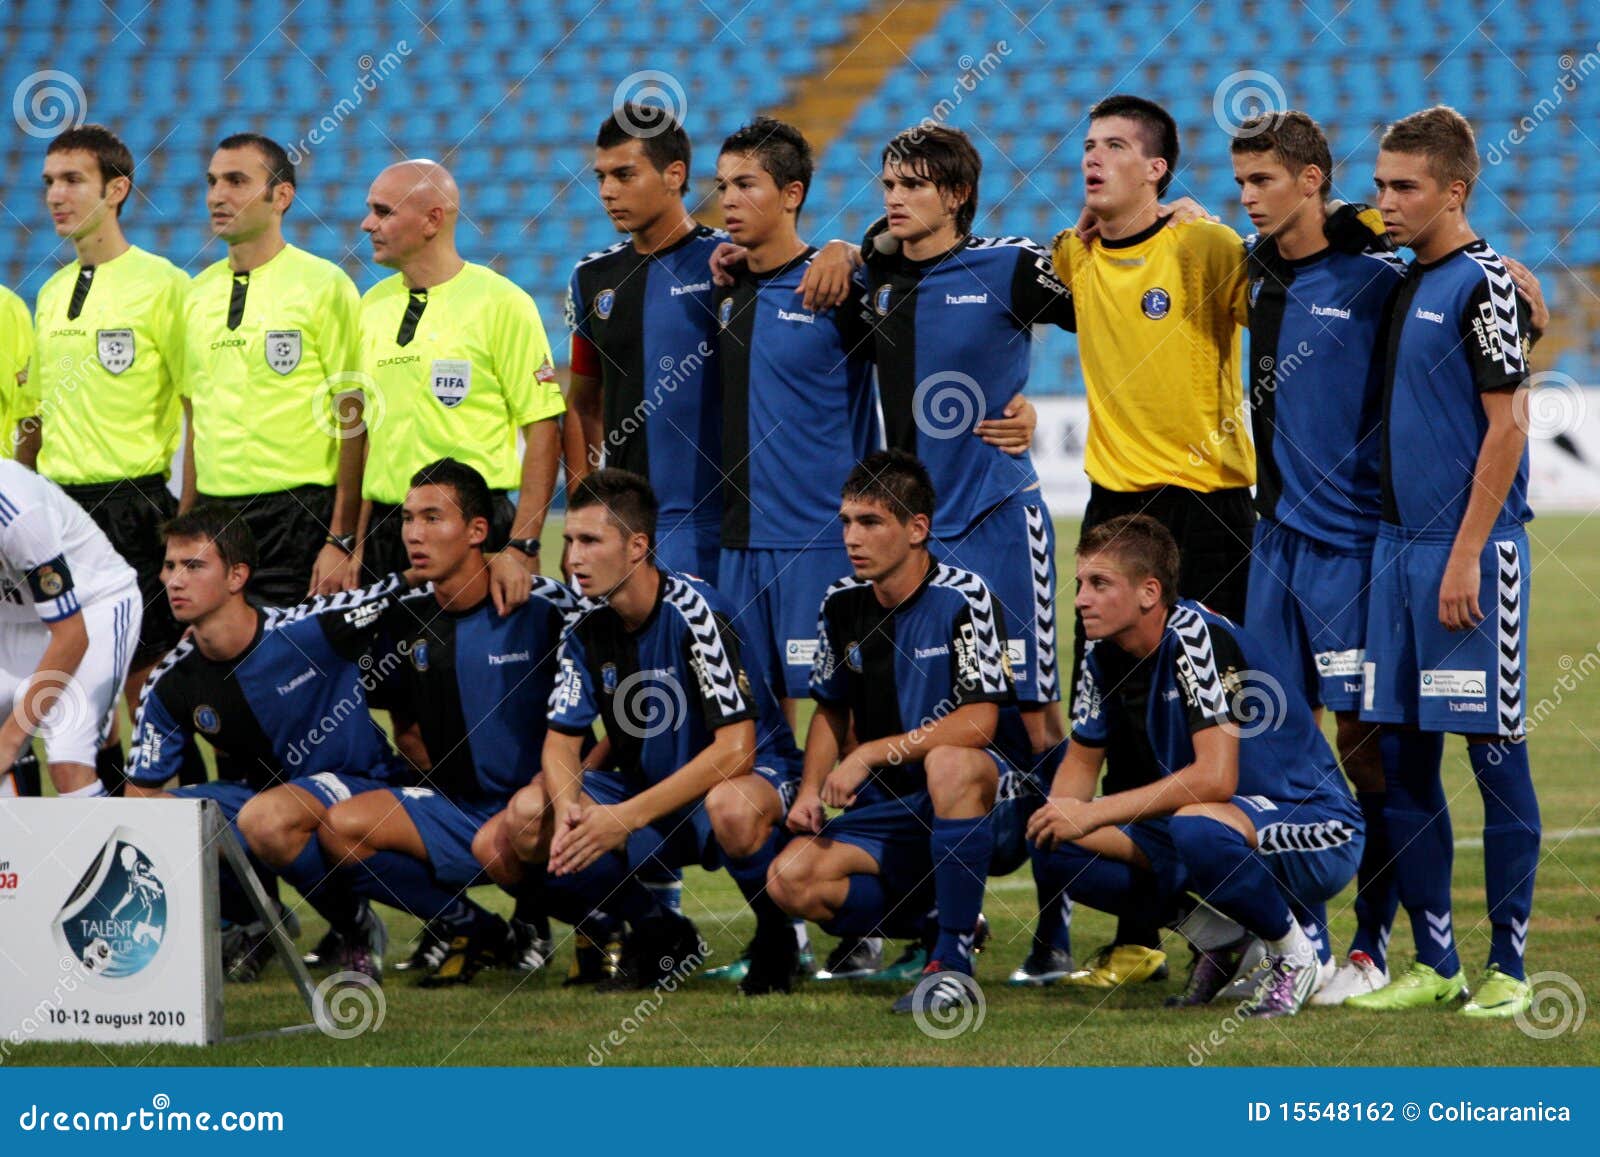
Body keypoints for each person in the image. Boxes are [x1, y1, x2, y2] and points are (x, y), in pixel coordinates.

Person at [1047, 95, 1260, 984]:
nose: (1093, 159)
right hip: (1113, 504)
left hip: (1206, 504)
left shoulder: (1203, 246)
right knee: (1116, 719)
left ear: (1159, 168)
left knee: (1216, 720)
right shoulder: (1073, 253)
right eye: (1088, 144)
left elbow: (1296, 290)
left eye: (1115, 148)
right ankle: (1142, 935)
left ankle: (1254, 920)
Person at [856, 124, 1074, 985]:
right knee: (917, 725)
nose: (894, 198)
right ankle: (942, 918)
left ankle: (1053, 925)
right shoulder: (873, 274)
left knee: (1031, 713)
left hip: (993, 521)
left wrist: (1032, 408)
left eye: (911, 184)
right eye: (886, 184)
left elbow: (1121, 299)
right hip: (914, 537)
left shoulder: (1011, 267)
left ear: (954, 194)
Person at [1350, 106, 1540, 1019]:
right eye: (1381, 184)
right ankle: (1435, 959)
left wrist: (1467, 553)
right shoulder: (1398, 279)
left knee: (1495, 755)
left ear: (1454, 191)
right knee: (1401, 757)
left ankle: (1509, 965)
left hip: (1470, 553)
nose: (1384, 201)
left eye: (1404, 187)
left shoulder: (1484, 285)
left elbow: (1507, 426)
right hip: (1394, 553)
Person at [481, 468, 806, 994]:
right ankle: (660, 929)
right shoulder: (586, 626)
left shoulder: (698, 614)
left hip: (743, 781)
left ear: (637, 547)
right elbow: (561, 742)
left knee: (732, 808)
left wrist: (623, 819)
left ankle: (776, 935)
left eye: (589, 541)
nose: (573, 559)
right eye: (569, 541)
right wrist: (568, 816)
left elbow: (736, 751)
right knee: (519, 826)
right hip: (652, 788)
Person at [1028, 515, 1363, 1018]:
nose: (1080, 599)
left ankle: (1296, 957)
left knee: (1195, 828)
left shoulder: (1196, 636)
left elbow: (1214, 778)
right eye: (1081, 584)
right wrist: (1066, 814)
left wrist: (1095, 813)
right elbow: (1077, 768)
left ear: (1148, 592)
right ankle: (1221, 938)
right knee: (1054, 842)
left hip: (1314, 822)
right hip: (1220, 822)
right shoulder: (1103, 656)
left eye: (1099, 584)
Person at [767, 451, 1042, 1016]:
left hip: (989, 801)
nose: (852, 537)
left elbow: (978, 722)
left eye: (870, 522)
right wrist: (811, 790)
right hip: (900, 806)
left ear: (917, 529)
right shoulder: (841, 603)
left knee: (948, 762)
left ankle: (952, 965)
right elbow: (829, 710)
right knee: (790, 879)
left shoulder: (965, 598)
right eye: (845, 521)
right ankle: (949, 919)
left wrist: (869, 753)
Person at [319, 459, 576, 987]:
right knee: (340, 829)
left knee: (526, 816)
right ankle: (472, 927)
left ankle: (581, 920)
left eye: (433, 518)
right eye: (409, 519)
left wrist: (521, 551)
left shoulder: (547, 607)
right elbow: (398, 721)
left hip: (547, 810)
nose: (414, 533)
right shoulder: (402, 613)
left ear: (478, 531)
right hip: (461, 815)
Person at [123, 505, 403, 981]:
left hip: (361, 790)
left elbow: (410, 590)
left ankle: (357, 927)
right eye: (170, 566)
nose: (174, 580)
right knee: (161, 815)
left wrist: (506, 556)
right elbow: (140, 796)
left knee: (268, 819)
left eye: (193, 566)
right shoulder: (171, 682)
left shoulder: (308, 627)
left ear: (237, 577)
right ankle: (255, 920)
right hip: (267, 808)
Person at [32, 123, 189, 793]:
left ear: (116, 189)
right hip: (56, 509)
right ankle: (103, 839)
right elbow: (35, 417)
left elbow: (193, 405)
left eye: (72, 180)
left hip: (133, 504)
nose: (55, 196)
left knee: (144, 685)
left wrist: (187, 512)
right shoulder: (49, 291)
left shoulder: (165, 285)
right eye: (48, 182)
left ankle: (185, 844)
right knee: (74, 696)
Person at [711, 118, 877, 724]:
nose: (729, 199)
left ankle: (861, 822)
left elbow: (929, 343)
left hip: (823, 541)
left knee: (848, 713)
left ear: (792, 194)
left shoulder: (839, 286)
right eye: (723, 184)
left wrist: (849, 248)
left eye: (747, 184)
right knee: (752, 721)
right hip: (739, 543)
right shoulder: (723, 286)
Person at [353, 160, 564, 606]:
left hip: (472, 529)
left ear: (432, 219)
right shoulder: (369, 306)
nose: (367, 223)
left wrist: (525, 544)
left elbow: (543, 427)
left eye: (383, 211)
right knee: (388, 673)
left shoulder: (502, 303)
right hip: (386, 532)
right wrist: (351, 542)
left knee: (475, 668)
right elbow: (367, 437)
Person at [179, 132, 365, 604]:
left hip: (299, 515)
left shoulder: (325, 285)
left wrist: (341, 537)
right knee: (220, 667)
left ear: (281, 196)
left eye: (237, 181)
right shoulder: (194, 295)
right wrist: (184, 524)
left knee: (294, 666)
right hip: (216, 518)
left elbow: (355, 416)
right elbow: (195, 419)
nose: (217, 195)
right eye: (213, 181)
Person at [564, 105, 726, 580]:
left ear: (674, 175)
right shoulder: (591, 277)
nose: (608, 191)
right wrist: (583, 511)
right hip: (629, 530)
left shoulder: (727, 263)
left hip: (722, 524)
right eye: (601, 177)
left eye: (624, 175)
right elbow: (584, 405)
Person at [0, 459, 141, 799]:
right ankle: (17, 852)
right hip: (15, 615)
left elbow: (72, 636)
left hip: (92, 608)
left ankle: (116, 848)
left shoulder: (18, 512)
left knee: (68, 763)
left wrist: (9, 740)